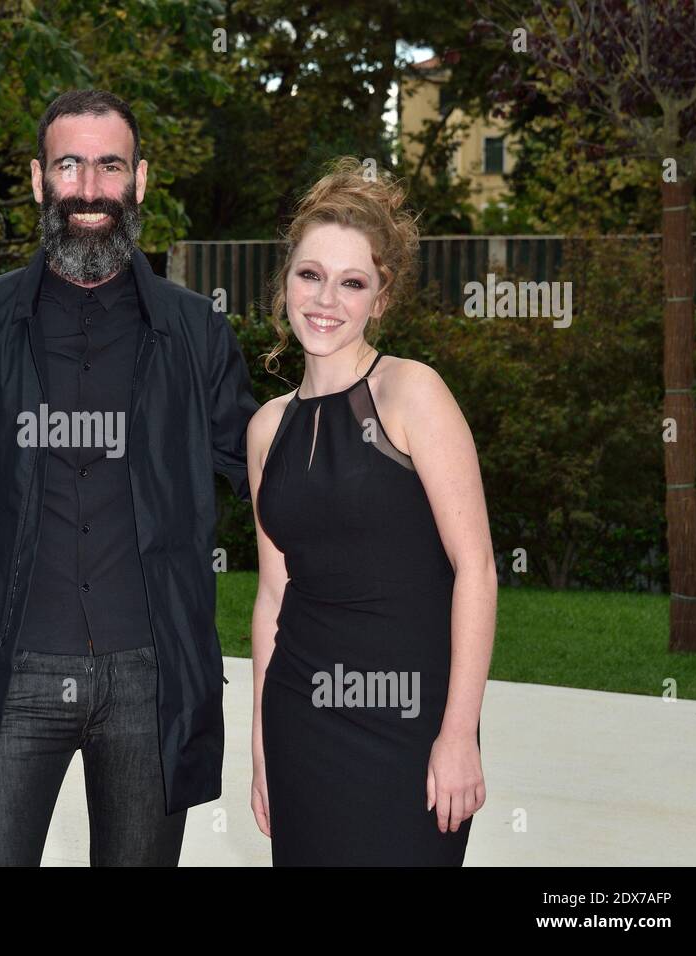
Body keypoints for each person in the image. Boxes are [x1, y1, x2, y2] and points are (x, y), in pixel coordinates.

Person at [0, 89, 259, 866]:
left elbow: (269, 471)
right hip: (9, 674)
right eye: (71, 166)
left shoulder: (196, 330)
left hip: (151, 679)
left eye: (110, 166)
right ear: (40, 180)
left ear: (141, 179)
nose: (91, 190)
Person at [247, 157, 495, 865]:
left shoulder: (412, 393)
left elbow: (476, 568)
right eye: (310, 274)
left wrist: (458, 735)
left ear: (380, 299)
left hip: (411, 730)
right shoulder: (267, 428)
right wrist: (262, 750)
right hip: (301, 725)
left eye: (352, 282)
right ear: (286, 281)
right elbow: (271, 599)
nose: (326, 299)